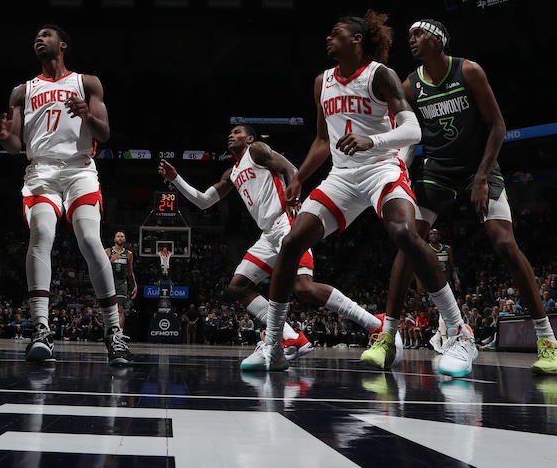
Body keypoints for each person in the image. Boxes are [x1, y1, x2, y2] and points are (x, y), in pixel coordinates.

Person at [240, 12, 475, 378]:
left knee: (404, 234)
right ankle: (274, 343)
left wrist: (373, 140)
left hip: (382, 167)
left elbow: (412, 130)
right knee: (292, 244)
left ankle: (460, 332)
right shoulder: (322, 81)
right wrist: (299, 178)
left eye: (336, 33)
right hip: (342, 177)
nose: (328, 39)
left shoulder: (380, 74)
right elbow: (322, 140)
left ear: (357, 40)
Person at [378, 18, 557, 375]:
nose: (412, 40)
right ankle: (387, 337)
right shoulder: (410, 84)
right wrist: (399, 174)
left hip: (478, 167)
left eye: (418, 34)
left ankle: (549, 344)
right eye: (410, 36)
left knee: (504, 243)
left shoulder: (469, 71)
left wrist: (481, 178)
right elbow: (406, 135)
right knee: (408, 240)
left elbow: (498, 126)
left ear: (439, 39)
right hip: (437, 171)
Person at [161, 124, 390, 363]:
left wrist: (294, 199)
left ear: (250, 139)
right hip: (268, 234)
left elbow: (290, 169)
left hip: (285, 222)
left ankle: (374, 323)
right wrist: (175, 179)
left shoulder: (257, 150)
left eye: (237, 132)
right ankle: (291, 336)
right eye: (229, 132)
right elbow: (205, 201)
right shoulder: (232, 173)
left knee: (303, 286)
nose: (231, 135)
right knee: (238, 286)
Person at [0, 23, 132, 366]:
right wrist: (4, 138)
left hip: (79, 170)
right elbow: (15, 146)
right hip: (40, 171)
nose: (39, 39)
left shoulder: (87, 82)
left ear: (63, 45)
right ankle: (40, 329)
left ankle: (113, 333)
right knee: (41, 233)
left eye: (46, 35)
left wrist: (87, 114)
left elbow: (105, 132)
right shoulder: (21, 91)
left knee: (89, 238)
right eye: (36, 36)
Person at [106, 230, 136, 334]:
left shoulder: (129, 254)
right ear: (114, 239)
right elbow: (101, 268)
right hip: (110, 282)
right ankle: (109, 332)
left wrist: (135, 285)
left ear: (125, 239)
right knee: (110, 309)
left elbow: (130, 272)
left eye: (122, 236)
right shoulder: (108, 252)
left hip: (122, 283)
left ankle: (119, 334)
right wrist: (110, 261)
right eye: (118, 236)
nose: (120, 238)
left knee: (120, 309)